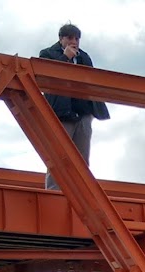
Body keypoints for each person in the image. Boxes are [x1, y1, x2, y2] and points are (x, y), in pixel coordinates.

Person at [39, 23, 111, 190]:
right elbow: (45, 77)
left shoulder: (84, 57)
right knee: (58, 157)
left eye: (77, 38)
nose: (74, 41)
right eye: (70, 37)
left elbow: (92, 81)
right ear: (61, 39)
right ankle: (54, 192)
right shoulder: (47, 54)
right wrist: (65, 59)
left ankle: (81, 193)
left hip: (83, 114)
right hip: (60, 114)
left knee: (82, 159)